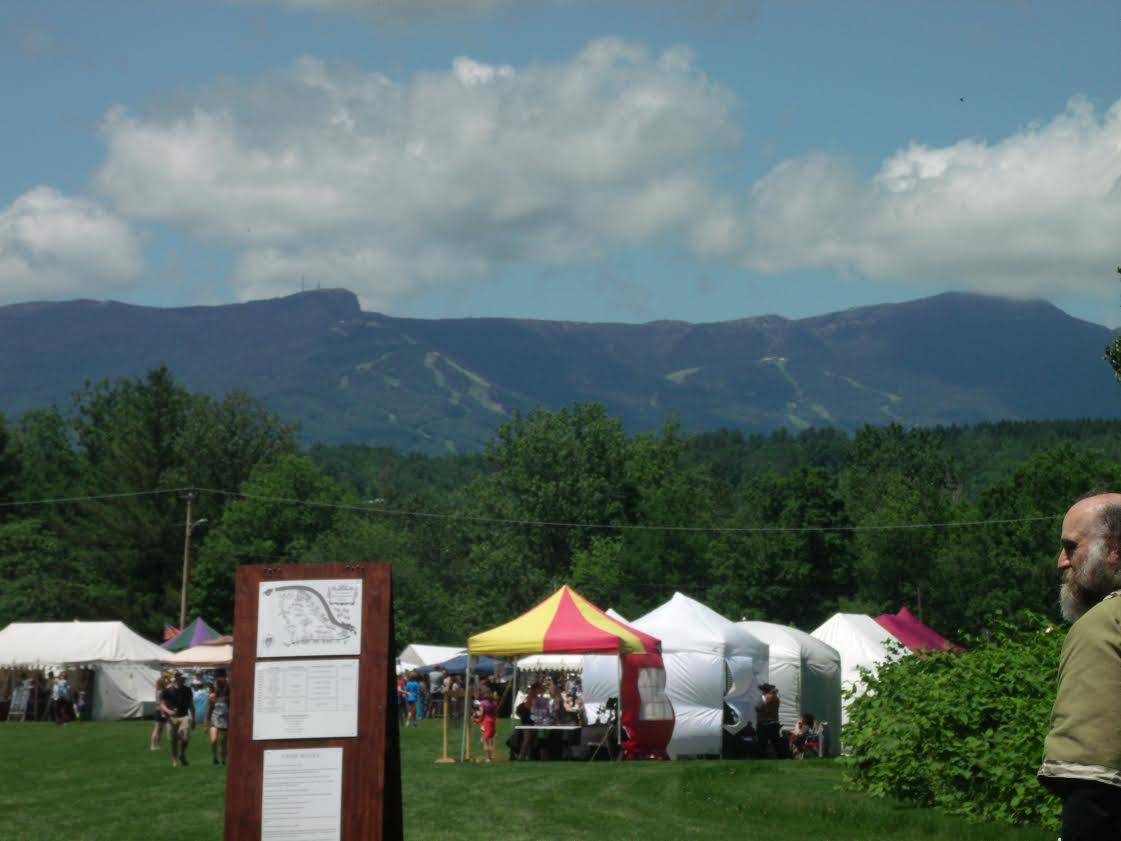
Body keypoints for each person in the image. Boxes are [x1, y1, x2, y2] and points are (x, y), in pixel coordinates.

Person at [1038, 492, 1121, 840]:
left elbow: (1094, 779)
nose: (1061, 561)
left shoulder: (1105, 625)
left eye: (1071, 547)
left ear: (1115, 548)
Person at [160, 672, 195, 767]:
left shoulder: (188, 690)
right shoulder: (168, 690)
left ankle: (182, 754)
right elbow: (162, 704)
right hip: (172, 718)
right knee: (173, 740)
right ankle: (174, 759)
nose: (184, 680)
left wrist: (194, 718)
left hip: (184, 716)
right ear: (177, 678)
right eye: (182, 678)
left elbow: (191, 705)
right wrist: (169, 712)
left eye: (185, 678)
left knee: (184, 736)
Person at [755, 684, 786, 758]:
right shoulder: (776, 698)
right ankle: (782, 757)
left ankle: (761, 758)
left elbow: (759, 708)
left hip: (763, 723)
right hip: (774, 722)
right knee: (776, 743)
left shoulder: (764, 697)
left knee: (762, 743)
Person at [205, 675, 230, 766]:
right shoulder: (212, 696)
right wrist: (205, 724)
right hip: (214, 720)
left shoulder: (228, 697)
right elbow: (208, 710)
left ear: (221, 685)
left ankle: (223, 759)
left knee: (223, 743)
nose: (214, 686)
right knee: (214, 740)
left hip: (225, 721)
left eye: (216, 684)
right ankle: (214, 757)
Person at [474, 689, 499, 762]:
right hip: (493, 721)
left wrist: (475, 713)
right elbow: (495, 712)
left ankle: (487, 758)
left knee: (485, 741)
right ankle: (490, 756)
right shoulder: (494, 703)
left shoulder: (482, 703)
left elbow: (481, 714)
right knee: (490, 740)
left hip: (486, 722)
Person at [150, 672, 171, 750]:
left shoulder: (159, 691)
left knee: (160, 729)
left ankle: (157, 745)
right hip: (160, 711)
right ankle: (152, 745)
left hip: (160, 711)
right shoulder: (161, 692)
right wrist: (163, 713)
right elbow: (161, 703)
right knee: (157, 728)